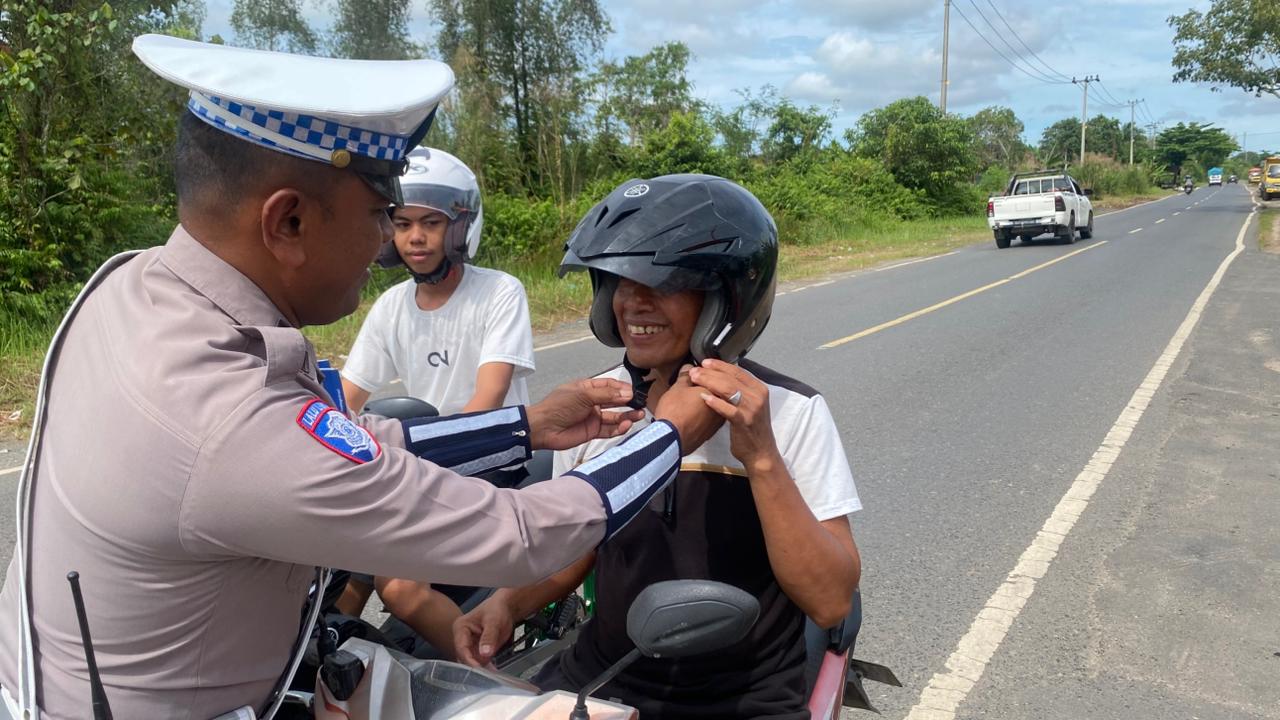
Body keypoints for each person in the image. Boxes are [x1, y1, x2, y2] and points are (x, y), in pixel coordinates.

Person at [0, 36, 723, 720]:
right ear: (286, 223)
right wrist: (667, 434)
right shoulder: (225, 420)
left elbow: (345, 439)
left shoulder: (135, 290)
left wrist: (522, 428)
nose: (390, 240)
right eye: (382, 214)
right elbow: (520, 534)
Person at [453, 174, 863, 719]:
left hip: (743, 699)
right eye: (619, 282)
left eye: (662, 284)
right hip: (603, 679)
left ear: (726, 300)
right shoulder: (595, 405)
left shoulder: (789, 412)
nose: (633, 303)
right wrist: (505, 603)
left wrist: (761, 456)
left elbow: (831, 599)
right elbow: (576, 549)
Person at [333, 147, 535, 658]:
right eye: (401, 223)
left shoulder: (498, 293)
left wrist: (415, 465)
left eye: (430, 222)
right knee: (336, 571)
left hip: (492, 461)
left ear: (461, 226)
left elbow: (488, 400)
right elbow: (349, 397)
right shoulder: (390, 305)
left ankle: (498, 685)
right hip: (417, 466)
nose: (415, 237)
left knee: (399, 586)